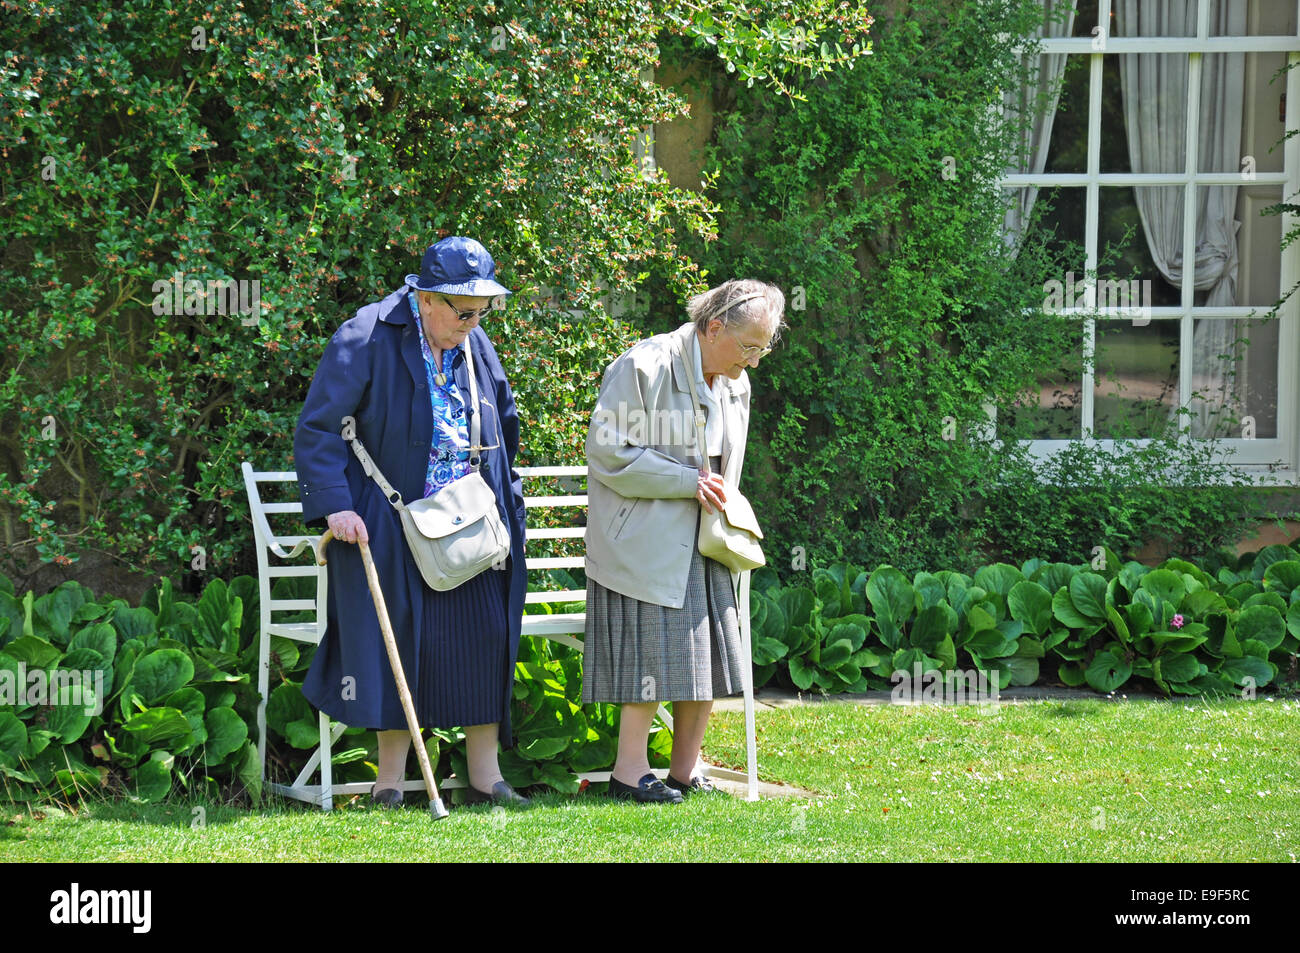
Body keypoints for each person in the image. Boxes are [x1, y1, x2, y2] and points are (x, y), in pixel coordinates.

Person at [294, 236, 531, 808]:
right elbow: (319, 428)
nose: (474, 322)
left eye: (482, 311)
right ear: (426, 298)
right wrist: (336, 504)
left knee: (484, 638)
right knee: (394, 642)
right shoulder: (367, 336)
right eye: (464, 310)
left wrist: (509, 499)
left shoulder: (475, 342)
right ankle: (390, 784)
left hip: (470, 518)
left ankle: (485, 777)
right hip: (390, 520)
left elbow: (505, 423)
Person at [582, 278, 784, 803]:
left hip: (706, 531)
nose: (754, 362)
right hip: (644, 536)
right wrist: (684, 482)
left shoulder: (735, 379)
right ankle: (629, 774)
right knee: (652, 655)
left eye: (762, 349)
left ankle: (684, 771)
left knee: (709, 654)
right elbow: (608, 453)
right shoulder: (643, 366)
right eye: (748, 347)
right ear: (713, 326)